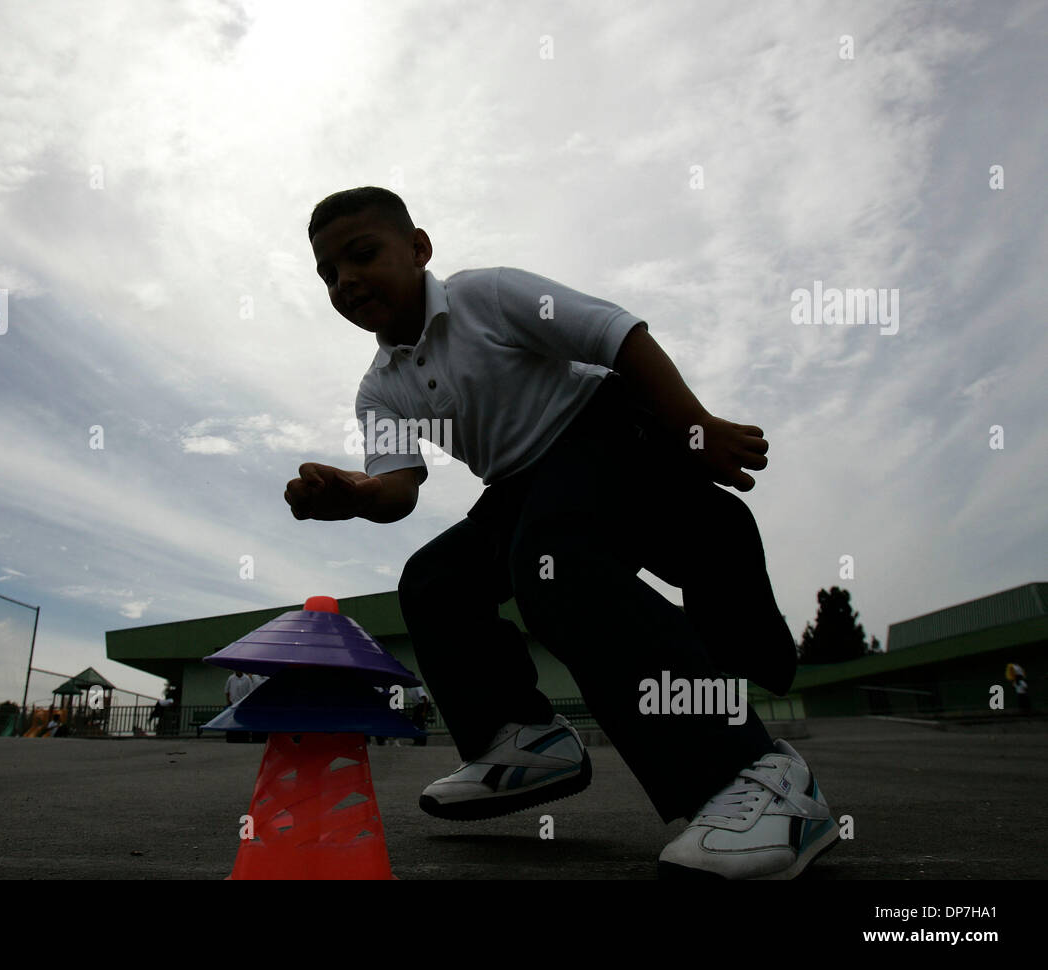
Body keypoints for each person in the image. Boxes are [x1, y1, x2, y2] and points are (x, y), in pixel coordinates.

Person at [284, 187, 837, 880]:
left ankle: (759, 778)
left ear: (420, 249)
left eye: (363, 255)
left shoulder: (485, 295)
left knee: (553, 564)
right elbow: (397, 488)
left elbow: (614, 334)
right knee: (433, 582)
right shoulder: (380, 389)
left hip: (603, 430)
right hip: (518, 487)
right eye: (329, 274)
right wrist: (354, 497)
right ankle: (522, 740)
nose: (348, 281)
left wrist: (694, 427)